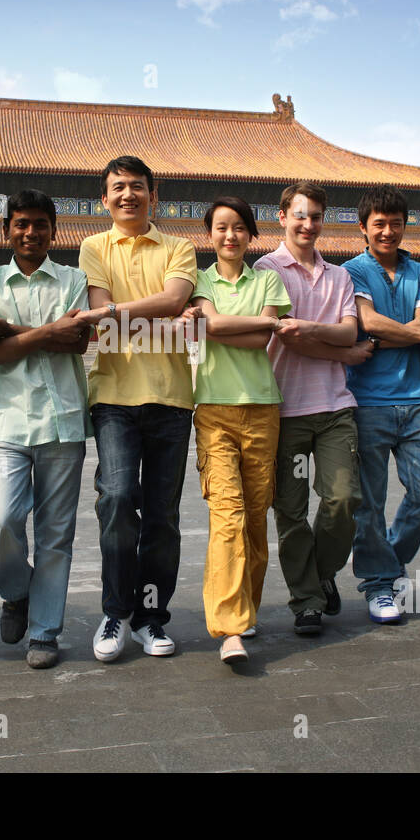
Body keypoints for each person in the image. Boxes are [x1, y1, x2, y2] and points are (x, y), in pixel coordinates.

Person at [76, 156, 197, 661]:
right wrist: (129, 319)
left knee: (163, 518)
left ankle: (151, 617)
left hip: (171, 398)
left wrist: (107, 313)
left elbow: (173, 300)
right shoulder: (93, 246)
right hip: (114, 399)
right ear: (105, 199)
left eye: (137, 187)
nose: (128, 195)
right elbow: (127, 322)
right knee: (119, 500)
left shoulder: (180, 246)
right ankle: (115, 611)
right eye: (118, 188)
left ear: (154, 195)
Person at [0, 190, 90, 670]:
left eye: (40, 224)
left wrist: (15, 331)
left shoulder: (74, 279)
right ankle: (16, 591)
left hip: (63, 420)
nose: (30, 232)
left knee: (56, 533)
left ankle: (44, 631)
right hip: (8, 418)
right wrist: (45, 332)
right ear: (7, 231)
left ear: (53, 231)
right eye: (20, 224)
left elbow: (77, 341)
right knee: (2, 519)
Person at [255, 183, 369, 636]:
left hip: (335, 406)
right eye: (299, 214)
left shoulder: (340, 276)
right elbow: (289, 339)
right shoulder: (266, 270)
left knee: (343, 498)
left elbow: (348, 334)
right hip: (285, 411)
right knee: (292, 511)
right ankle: (307, 601)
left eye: (316, 216)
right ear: (281, 216)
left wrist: (308, 329)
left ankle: (319, 574)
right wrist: (330, 340)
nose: (308, 224)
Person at [180, 197, 290, 663]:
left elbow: (263, 334)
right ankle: (230, 628)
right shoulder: (199, 279)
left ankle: (248, 608)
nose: (231, 235)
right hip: (214, 411)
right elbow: (243, 325)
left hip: (263, 409)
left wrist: (219, 325)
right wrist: (244, 324)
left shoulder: (268, 277)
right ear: (210, 233)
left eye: (240, 227)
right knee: (228, 514)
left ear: (251, 235)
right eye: (222, 227)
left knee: (256, 518)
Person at [344, 186, 420, 624]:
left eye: (396, 223)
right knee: (368, 500)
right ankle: (379, 583)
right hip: (367, 400)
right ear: (363, 227)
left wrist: (397, 334)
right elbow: (366, 322)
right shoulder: (350, 270)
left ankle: (386, 557)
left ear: (406, 226)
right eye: (379, 224)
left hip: (416, 399)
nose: (388, 231)